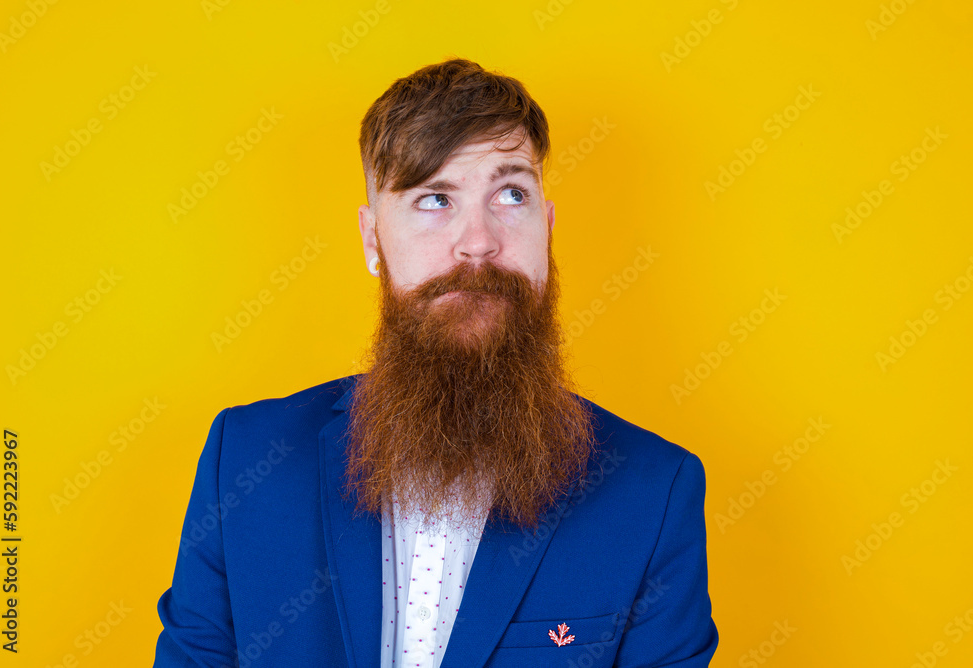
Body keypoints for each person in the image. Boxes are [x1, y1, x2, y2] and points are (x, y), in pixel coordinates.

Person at [153, 57, 718, 668]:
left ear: (547, 230)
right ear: (373, 241)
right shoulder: (242, 461)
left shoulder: (655, 492)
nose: (478, 242)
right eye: (433, 199)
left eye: (511, 194)